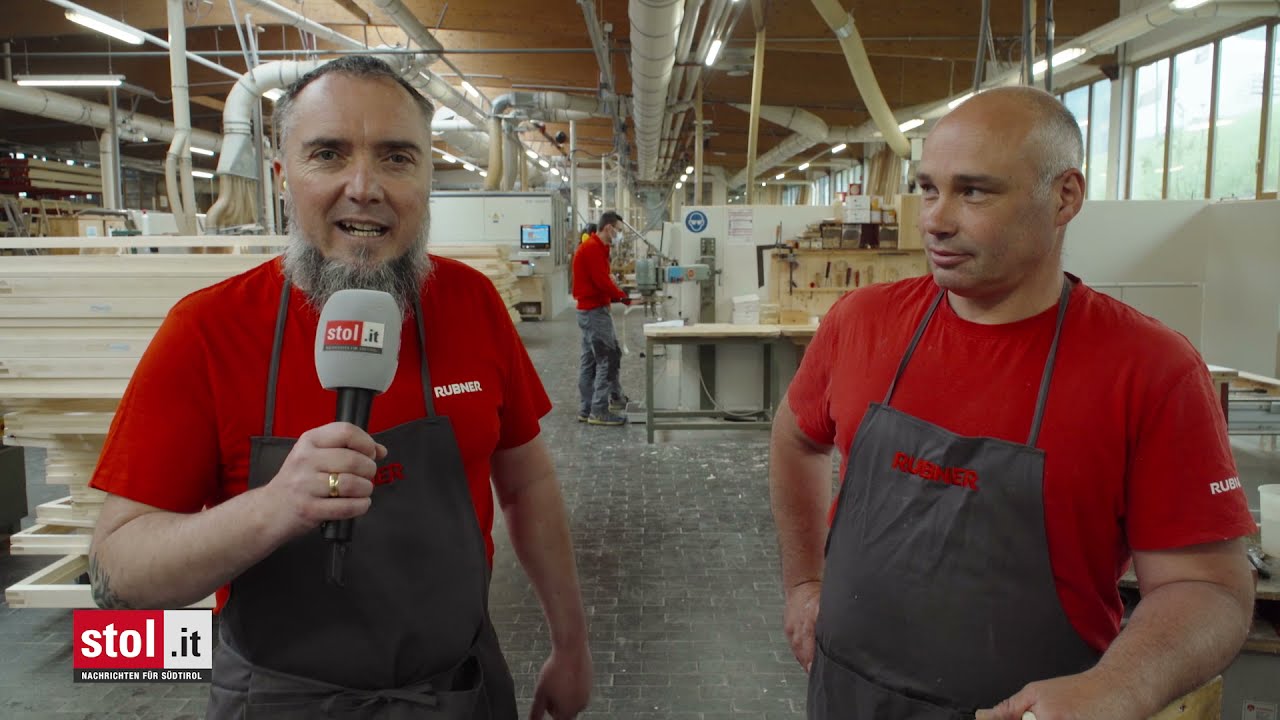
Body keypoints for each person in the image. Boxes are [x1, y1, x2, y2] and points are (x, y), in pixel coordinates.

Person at [86, 56, 591, 720]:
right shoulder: (205, 331)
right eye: (328, 154)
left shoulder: (471, 304)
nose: (364, 186)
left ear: (425, 181)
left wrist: (572, 643)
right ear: (282, 177)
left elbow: (526, 484)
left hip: (457, 693)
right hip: (278, 702)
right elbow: (114, 573)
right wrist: (271, 510)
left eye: (396, 158)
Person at [769, 86, 1257, 720]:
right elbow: (795, 437)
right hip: (847, 696)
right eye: (928, 188)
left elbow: (1209, 586)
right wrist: (805, 583)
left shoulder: (1150, 369)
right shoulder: (862, 321)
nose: (937, 219)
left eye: (974, 192)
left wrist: (1123, 686)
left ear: (1065, 197)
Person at [571, 211, 630, 426]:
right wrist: (624, 297)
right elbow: (600, 282)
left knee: (590, 360)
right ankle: (599, 410)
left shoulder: (599, 248)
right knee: (607, 358)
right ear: (609, 228)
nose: (620, 235)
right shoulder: (592, 249)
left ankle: (587, 408)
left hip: (590, 311)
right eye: (619, 231)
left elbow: (602, 278)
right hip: (594, 312)